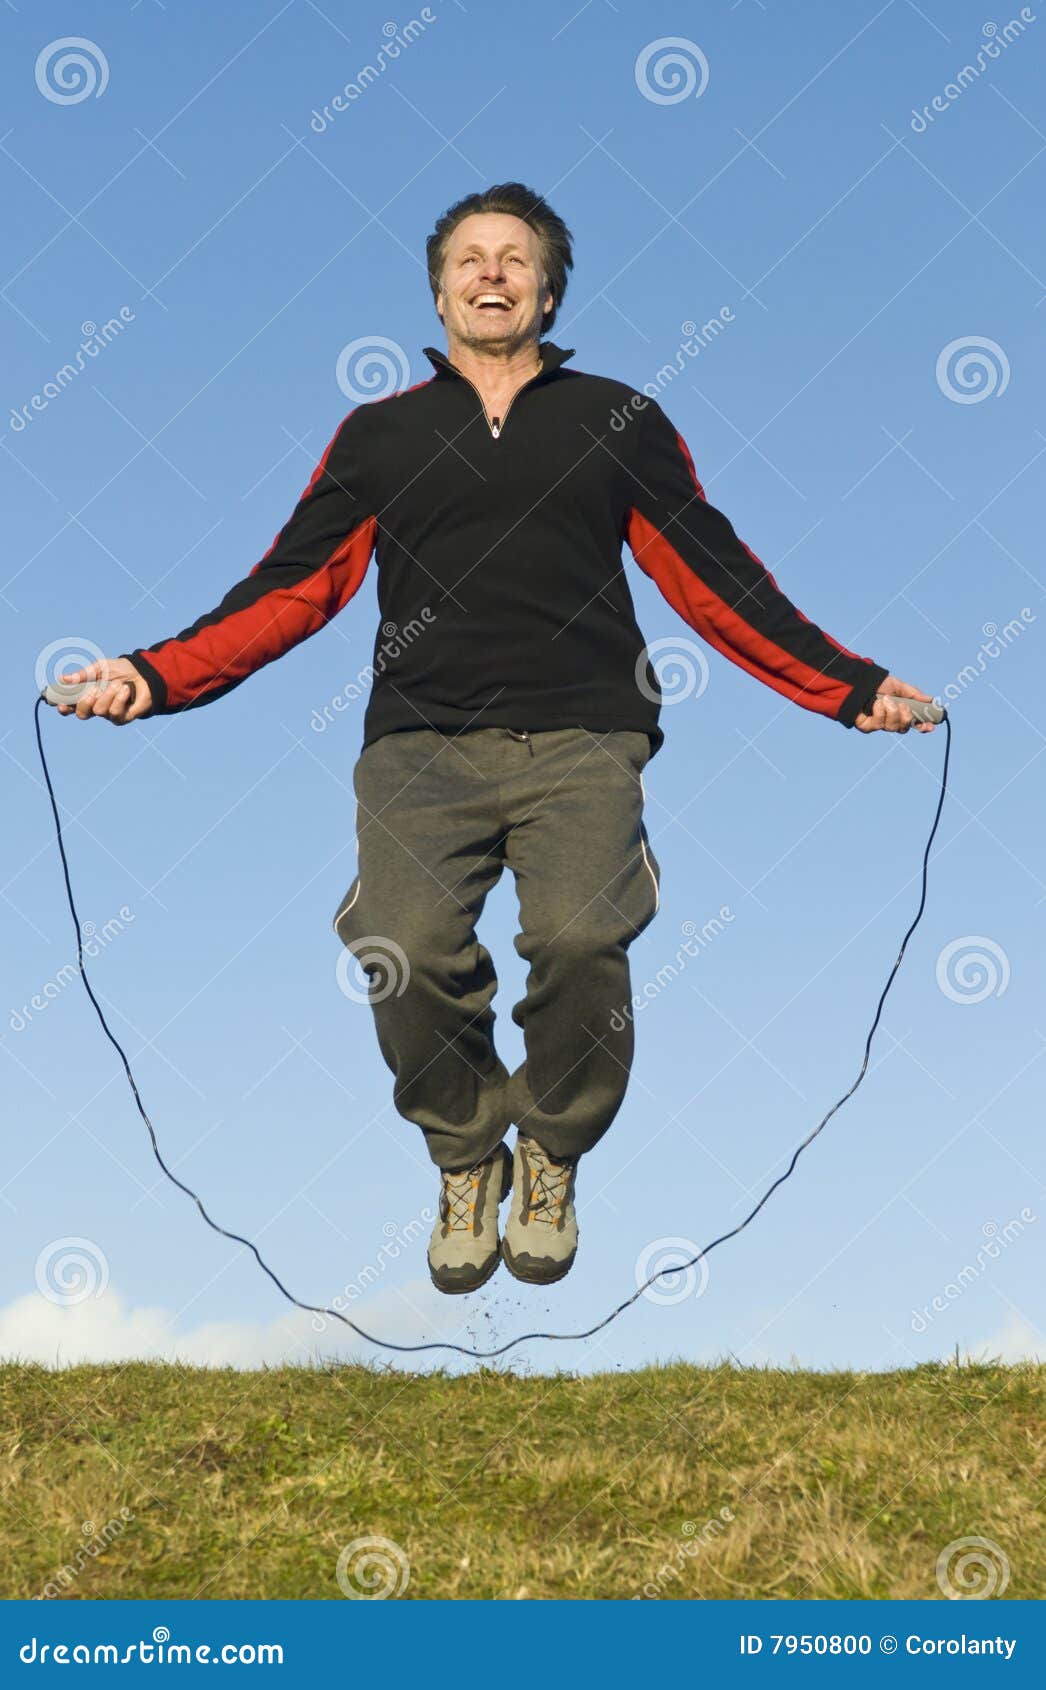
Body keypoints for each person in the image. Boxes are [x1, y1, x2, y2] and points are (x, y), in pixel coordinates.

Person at [56, 181, 937, 1297]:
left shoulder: (616, 419)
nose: (489, 273)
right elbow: (292, 588)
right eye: (468, 259)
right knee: (405, 949)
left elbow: (711, 576)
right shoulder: (380, 435)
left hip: (582, 737)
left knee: (576, 940)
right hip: (420, 747)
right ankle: (467, 1154)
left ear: (547, 288)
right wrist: (153, 672)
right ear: (437, 293)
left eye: (512, 259)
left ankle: (552, 1149)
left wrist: (844, 684)